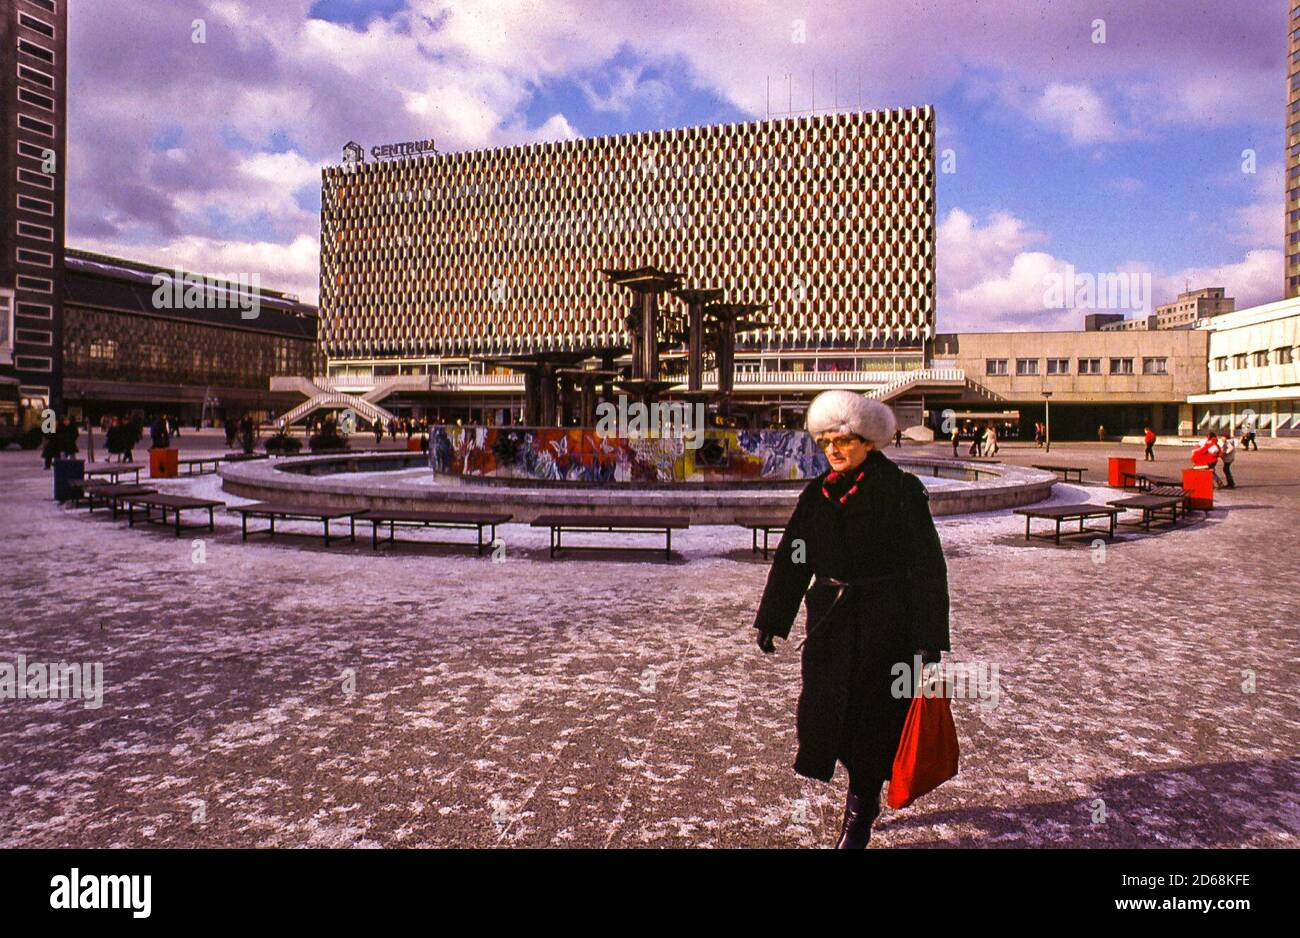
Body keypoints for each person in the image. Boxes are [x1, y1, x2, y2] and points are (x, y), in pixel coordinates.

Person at [753, 391, 951, 849]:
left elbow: (927, 564)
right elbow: (793, 559)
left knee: (873, 722)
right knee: (826, 716)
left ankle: (860, 809)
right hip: (830, 625)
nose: (834, 450)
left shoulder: (900, 492)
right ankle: (858, 786)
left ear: (868, 442)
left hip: (886, 625)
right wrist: (773, 617)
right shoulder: (816, 494)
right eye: (826, 443)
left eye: (843, 441)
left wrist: (928, 636)